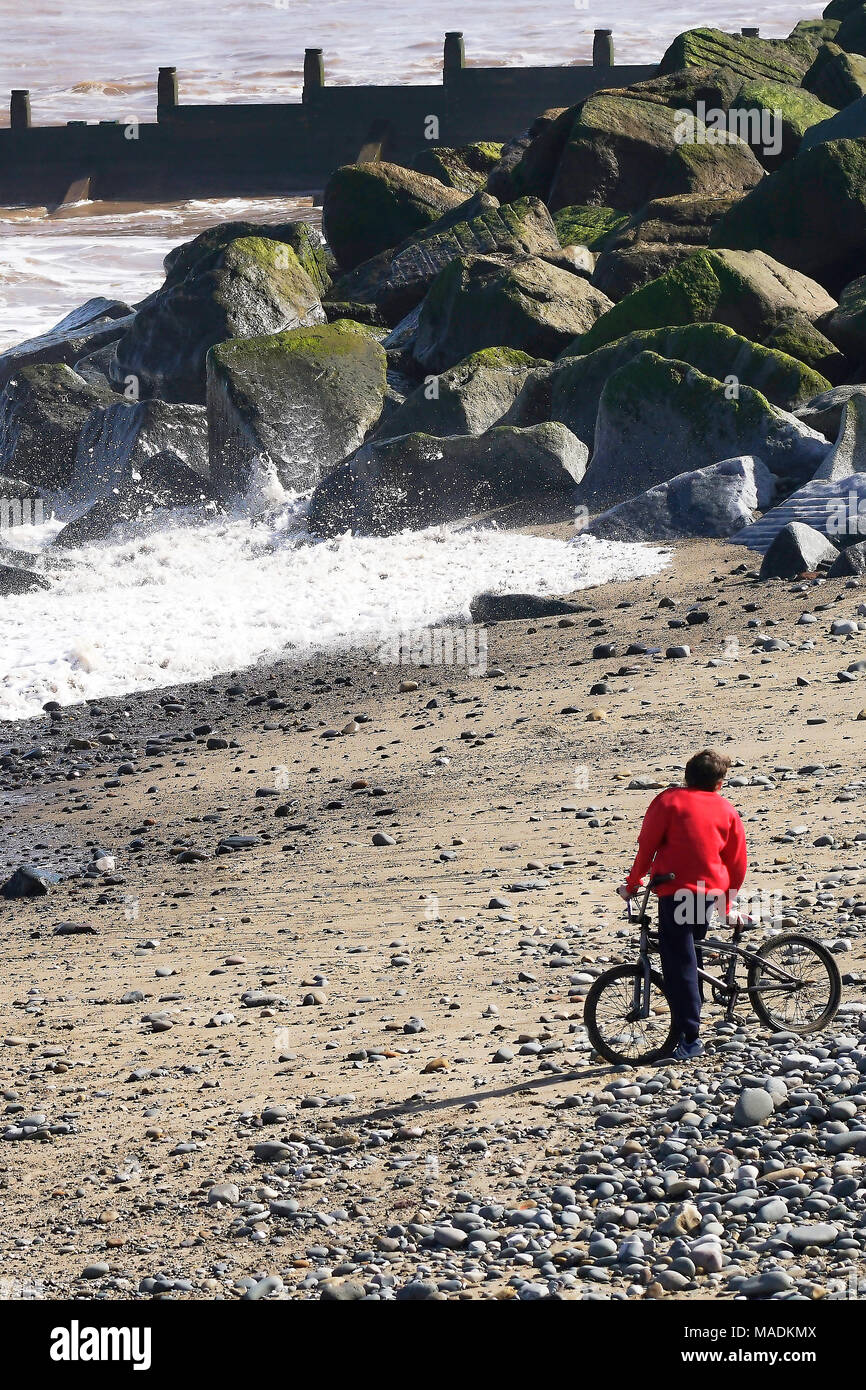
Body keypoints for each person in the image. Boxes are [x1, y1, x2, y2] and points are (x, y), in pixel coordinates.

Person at [617, 748, 748, 1061]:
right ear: (719, 783)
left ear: (687, 776)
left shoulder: (668, 801)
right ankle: (694, 1014)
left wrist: (632, 885)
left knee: (680, 964)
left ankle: (691, 1038)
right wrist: (726, 903)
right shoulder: (726, 809)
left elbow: (646, 848)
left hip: (676, 893)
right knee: (692, 953)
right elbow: (737, 861)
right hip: (707, 892)